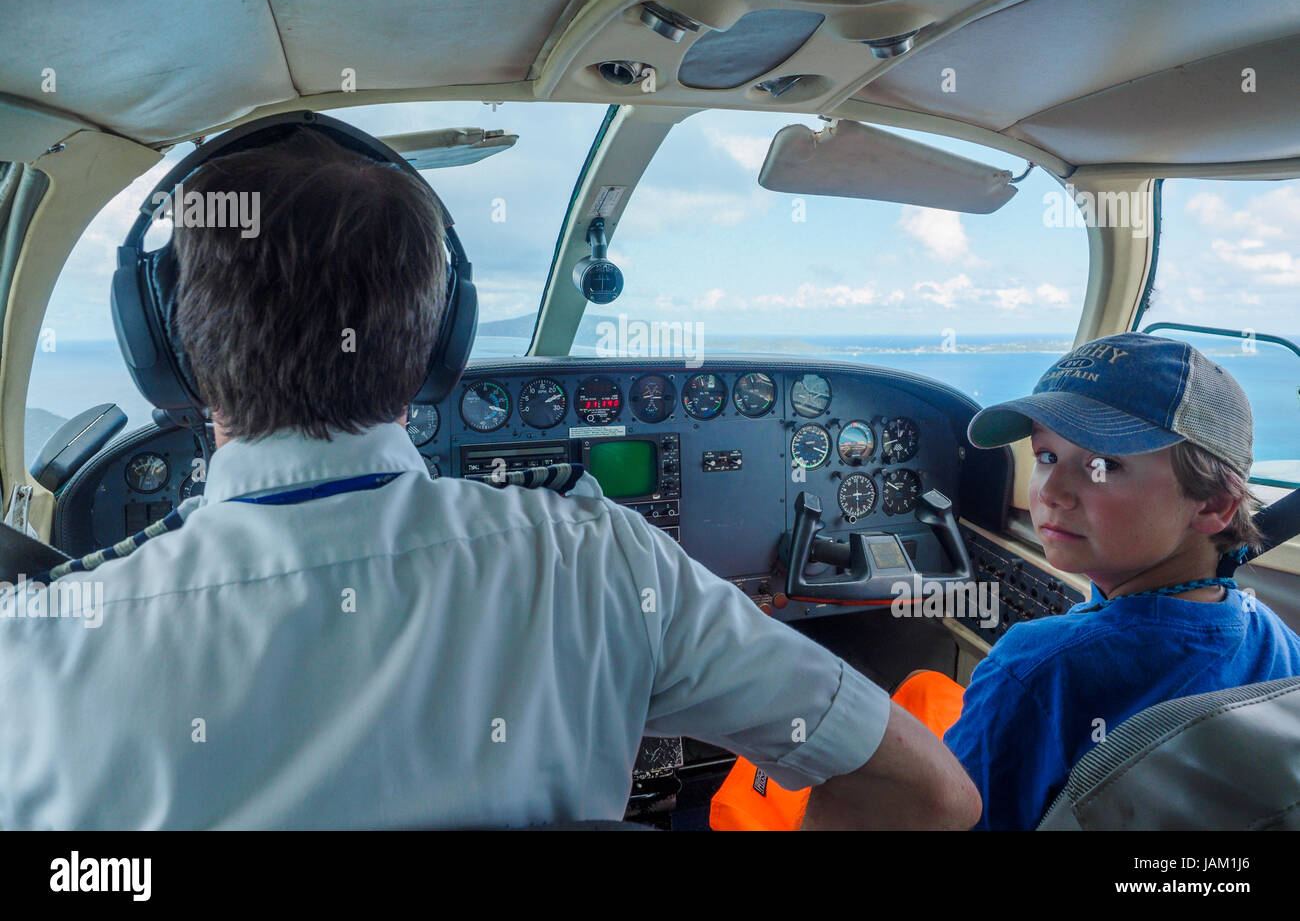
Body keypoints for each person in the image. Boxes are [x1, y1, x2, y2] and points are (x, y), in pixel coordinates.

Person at [0, 117, 979, 830]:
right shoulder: (604, 564)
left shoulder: (35, 654)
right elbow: (931, 795)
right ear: (440, 346)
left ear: (163, 349)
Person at [944, 331, 1300, 829]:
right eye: (1046, 455)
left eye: (1103, 464)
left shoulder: (1037, 669)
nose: (1052, 491)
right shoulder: (1275, 639)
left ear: (1215, 503)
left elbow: (945, 817)